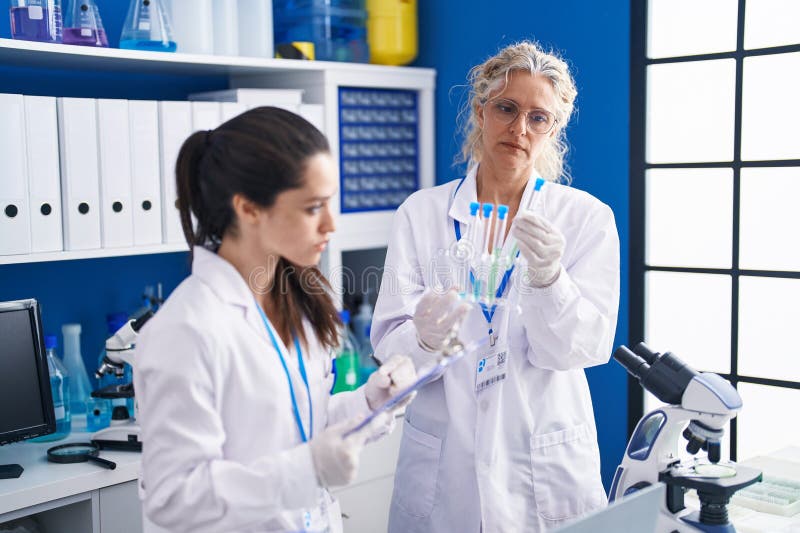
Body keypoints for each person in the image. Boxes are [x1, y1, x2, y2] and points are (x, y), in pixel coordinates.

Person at [371, 41, 620, 532]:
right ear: (481, 111)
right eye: (506, 108)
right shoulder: (421, 215)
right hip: (445, 468)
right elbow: (389, 351)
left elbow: (584, 349)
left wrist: (551, 281)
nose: (519, 128)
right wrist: (421, 339)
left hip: (541, 465)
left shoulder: (585, 219)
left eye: (538, 118)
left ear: (555, 129)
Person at [134, 107, 417, 533]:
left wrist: (368, 404)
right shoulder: (186, 329)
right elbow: (173, 496)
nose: (330, 224)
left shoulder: (295, 302)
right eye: (312, 208)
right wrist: (307, 470)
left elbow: (298, 424)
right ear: (248, 208)